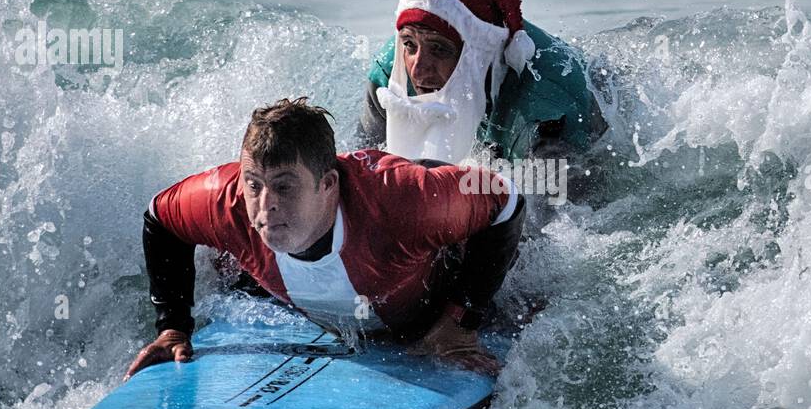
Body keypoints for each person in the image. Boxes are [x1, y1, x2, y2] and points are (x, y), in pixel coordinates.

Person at [126, 97, 523, 381]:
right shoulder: (225, 201)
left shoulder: (405, 204)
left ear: (328, 185)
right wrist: (173, 326)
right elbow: (160, 218)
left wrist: (461, 320)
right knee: (230, 269)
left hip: (434, 272)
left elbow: (507, 201)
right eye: (254, 185)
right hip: (333, 289)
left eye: (284, 187)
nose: (266, 206)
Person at [356, 0, 606, 165]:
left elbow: (568, 215)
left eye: (439, 49)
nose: (418, 70)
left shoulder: (548, 103)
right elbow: (361, 175)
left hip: (591, 98)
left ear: (477, 53)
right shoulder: (390, 75)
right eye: (410, 44)